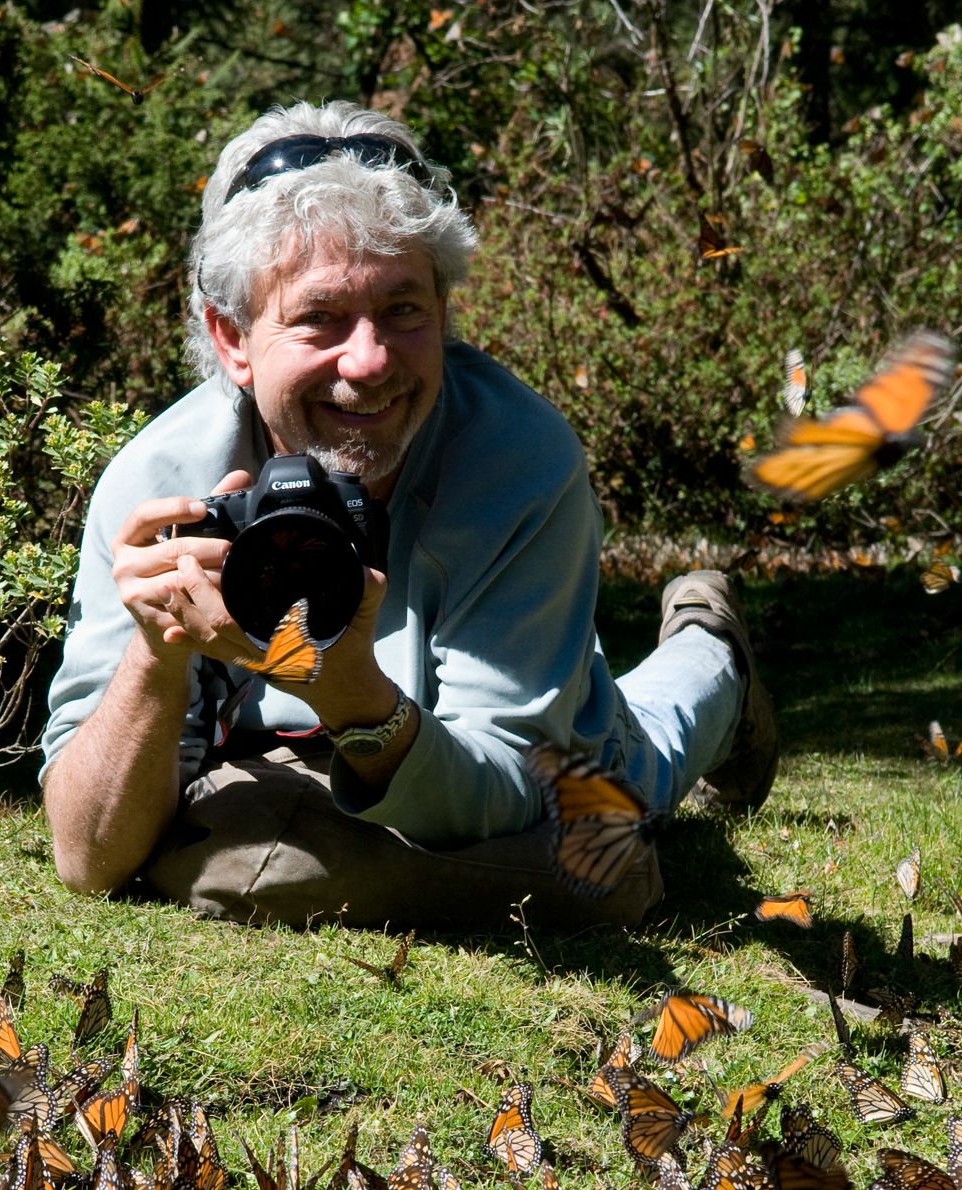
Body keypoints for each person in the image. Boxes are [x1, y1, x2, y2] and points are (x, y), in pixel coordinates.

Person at [41, 99, 777, 932]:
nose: (369, 362)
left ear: (445, 311)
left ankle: (717, 654)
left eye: (403, 311)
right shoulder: (162, 485)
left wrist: (349, 696)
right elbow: (88, 858)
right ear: (231, 338)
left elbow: (514, 778)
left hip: (552, 742)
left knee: (648, 749)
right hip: (385, 748)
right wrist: (155, 655)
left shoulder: (520, 461)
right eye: (319, 318)